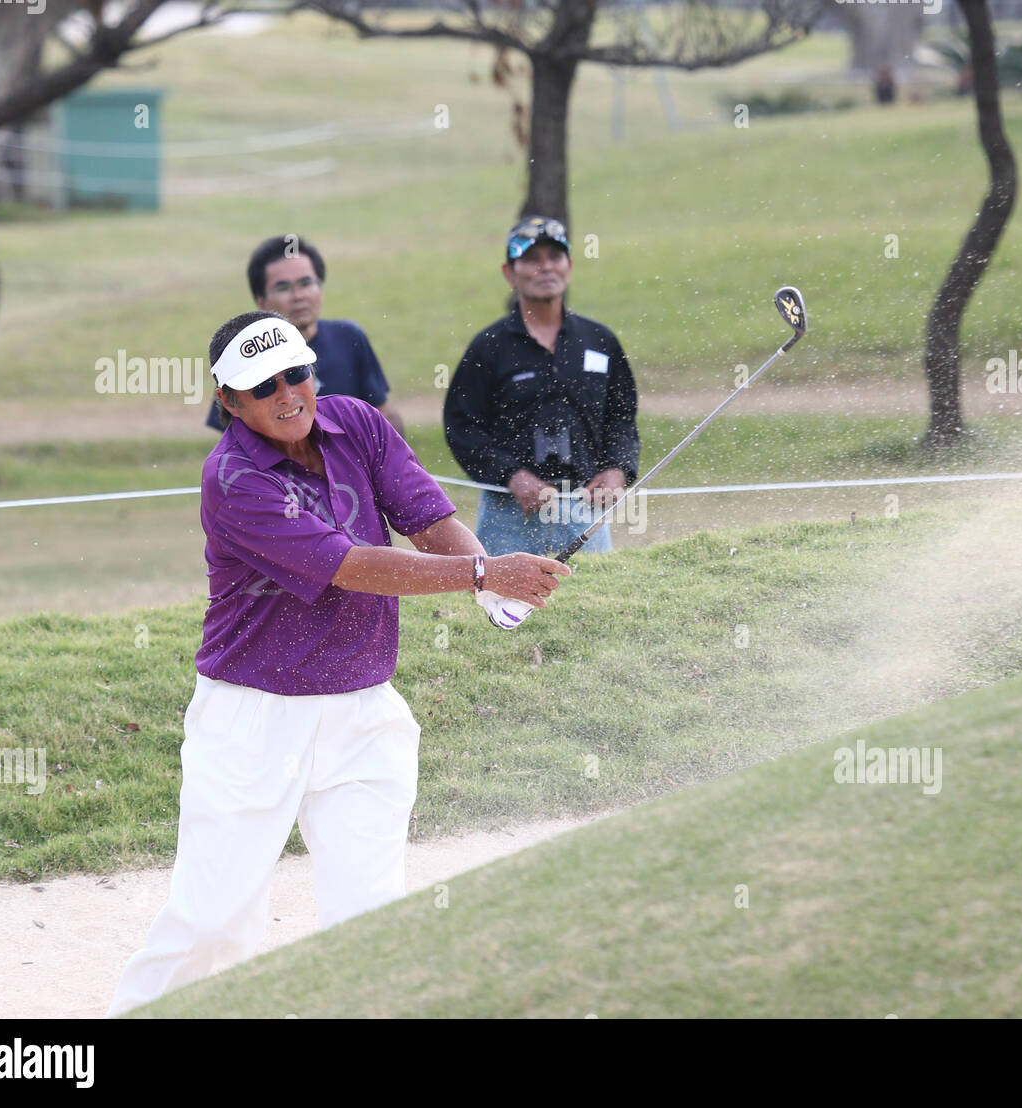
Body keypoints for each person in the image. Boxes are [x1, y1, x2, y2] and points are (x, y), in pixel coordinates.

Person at [109, 310, 567, 1017]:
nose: (287, 392)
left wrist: (490, 589)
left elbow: (424, 521)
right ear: (228, 401)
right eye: (263, 385)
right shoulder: (231, 477)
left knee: (372, 919)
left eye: (296, 373)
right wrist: (484, 576)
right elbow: (350, 566)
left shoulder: (356, 422)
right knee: (212, 924)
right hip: (251, 720)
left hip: (363, 711)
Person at [443, 216, 640, 557]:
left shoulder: (600, 341)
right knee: (501, 607)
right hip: (508, 514)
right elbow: (462, 428)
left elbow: (622, 419)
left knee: (597, 603)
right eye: (532, 259)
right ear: (509, 272)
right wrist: (512, 476)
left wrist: (617, 470)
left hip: (584, 508)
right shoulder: (488, 347)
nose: (545, 267)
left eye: (555, 257)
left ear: (569, 265)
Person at [204, 235, 404, 436]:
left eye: (306, 283)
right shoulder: (245, 356)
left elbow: (381, 414)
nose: (298, 296)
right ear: (261, 301)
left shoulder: (349, 336)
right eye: (283, 288)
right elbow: (234, 439)